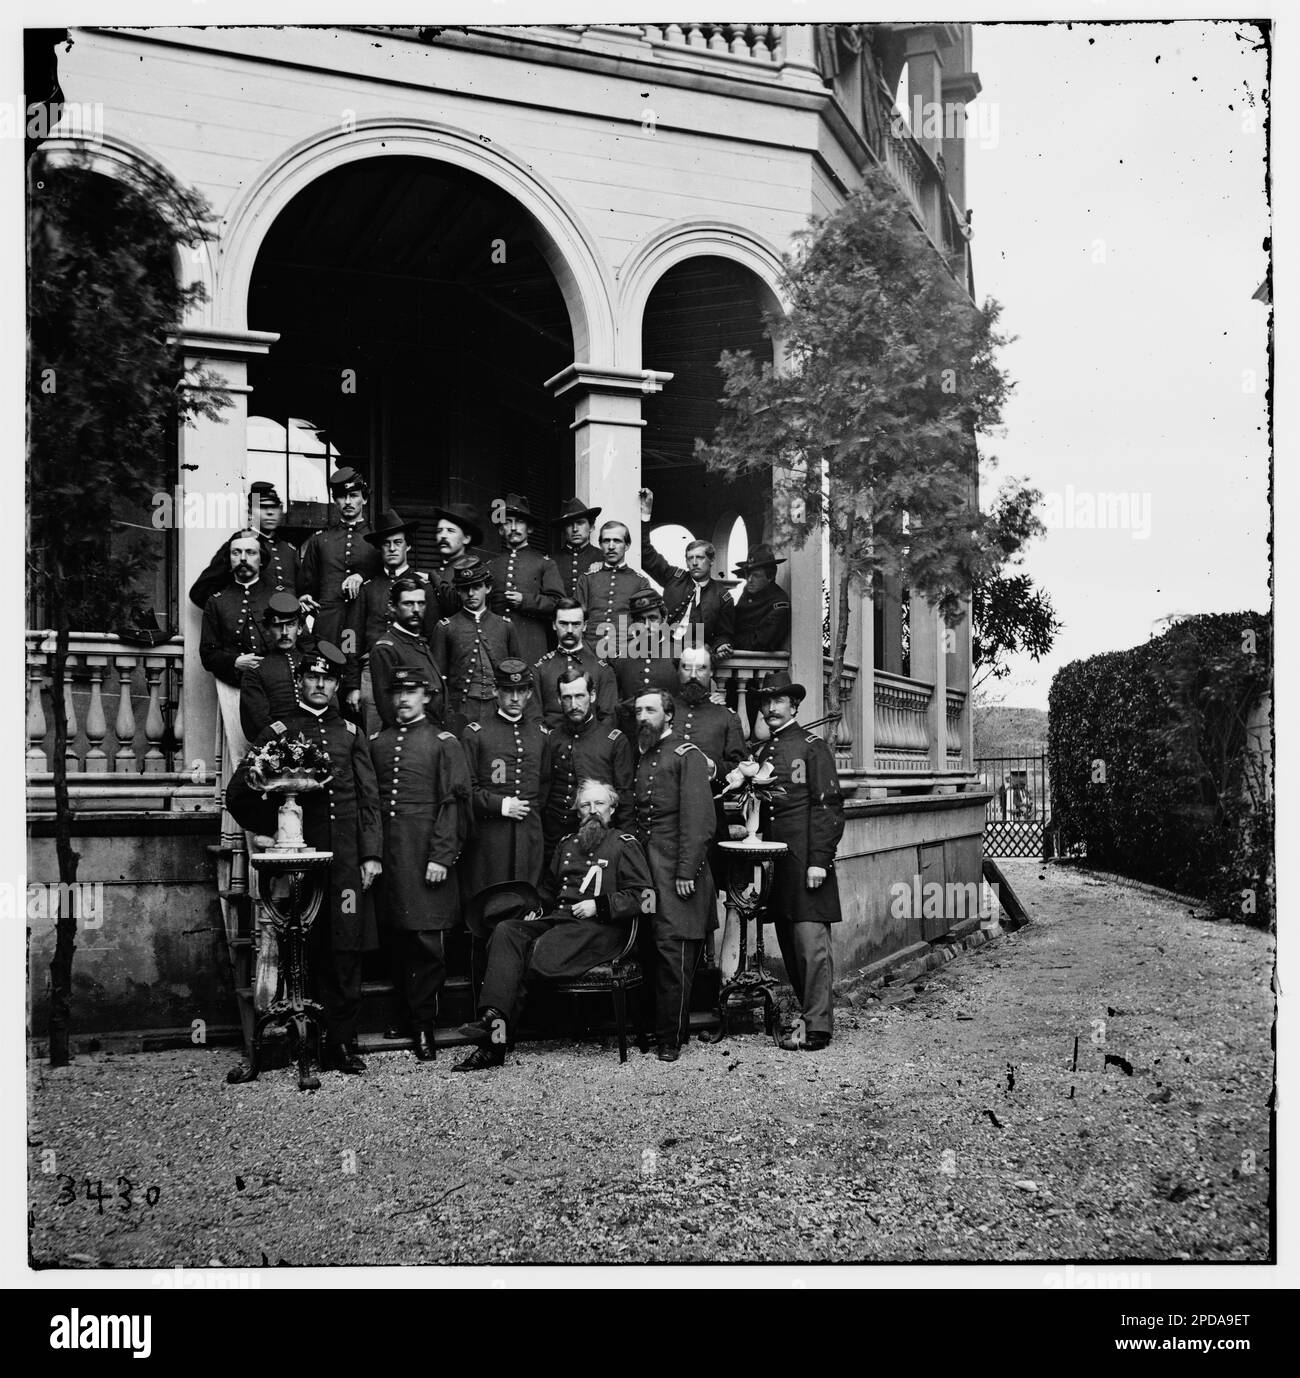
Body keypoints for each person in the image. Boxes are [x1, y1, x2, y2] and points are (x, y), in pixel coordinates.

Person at [226, 641, 383, 1074]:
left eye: (327, 678)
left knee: (347, 946)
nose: (319, 684)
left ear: (335, 685)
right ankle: (305, 1040)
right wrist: (276, 829)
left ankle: (343, 1042)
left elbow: (369, 800)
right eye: (312, 677)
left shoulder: (350, 733)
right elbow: (239, 793)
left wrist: (371, 855)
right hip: (300, 865)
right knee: (303, 945)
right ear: (300, 681)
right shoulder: (279, 731)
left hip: (348, 864)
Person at [454, 780, 654, 1072]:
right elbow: (549, 890)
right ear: (577, 811)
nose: (592, 810)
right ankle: (492, 1022)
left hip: (601, 929)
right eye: (585, 805)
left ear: (612, 809)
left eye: (599, 804)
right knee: (507, 932)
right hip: (560, 922)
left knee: (527, 953)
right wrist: (535, 910)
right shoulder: (566, 844)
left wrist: (599, 905)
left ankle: (494, 1043)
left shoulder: (625, 844)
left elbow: (646, 898)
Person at [368, 667, 472, 1062]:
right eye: (396, 692)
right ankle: (406, 1016)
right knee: (397, 938)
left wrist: (441, 857)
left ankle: (425, 1025)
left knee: (427, 943)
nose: (403, 699)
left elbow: (454, 803)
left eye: (411, 692)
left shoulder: (444, 742)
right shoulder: (379, 741)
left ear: (426, 696)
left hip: (427, 854)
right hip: (392, 857)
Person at [742, 670, 845, 1052]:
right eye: (765, 702)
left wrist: (820, 860)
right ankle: (807, 1017)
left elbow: (828, 807)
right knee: (790, 945)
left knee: (811, 947)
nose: (770, 708)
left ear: (794, 705)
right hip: (778, 865)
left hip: (806, 863)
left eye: (778, 701)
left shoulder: (812, 747)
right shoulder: (764, 751)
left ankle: (818, 1027)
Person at [630, 689, 717, 1061]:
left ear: (668, 715)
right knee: (654, 950)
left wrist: (687, 871)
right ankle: (655, 1028)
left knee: (675, 952)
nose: (642, 716)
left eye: (650, 710)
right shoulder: (646, 756)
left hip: (678, 869)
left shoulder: (688, 755)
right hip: (649, 868)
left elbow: (699, 820)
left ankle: (671, 1037)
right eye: (638, 710)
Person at [458, 659, 552, 901]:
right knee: (489, 901)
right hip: (490, 837)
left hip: (529, 834)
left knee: (525, 901)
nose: (514, 698)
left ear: (530, 693)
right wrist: (502, 805)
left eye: (521, 691)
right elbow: (466, 790)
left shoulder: (540, 735)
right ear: (495, 691)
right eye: (508, 691)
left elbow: (543, 786)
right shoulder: (476, 734)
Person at [541, 667, 633, 864]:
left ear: (592, 696)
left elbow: (624, 796)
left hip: (601, 836)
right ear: (558, 700)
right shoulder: (552, 739)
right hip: (557, 836)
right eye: (567, 698)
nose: (574, 705)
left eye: (579, 696)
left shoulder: (613, 740)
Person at [342, 508, 424, 727]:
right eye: (386, 544)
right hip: (372, 673)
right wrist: (352, 685)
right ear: (380, 549)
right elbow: (350, 636)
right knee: (375, 741)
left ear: (408, 546)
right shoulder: (368, 589)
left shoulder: (421, 586)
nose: (392, 548)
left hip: (412, 669)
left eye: (398, 543)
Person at [638, 487, 736, 654]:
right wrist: (645, 515)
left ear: (711, 560)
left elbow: (723, 633)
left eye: (700, 558)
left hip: (694, 656)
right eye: (690, 558)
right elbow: (646, 554)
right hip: (663, 651)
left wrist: (721, 644)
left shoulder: (722, 596)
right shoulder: (673, 577)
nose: (695, 563)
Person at [430, 557, 522, 725]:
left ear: (488, 588)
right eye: (465, 589)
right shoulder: (446, 627)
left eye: (477, 587)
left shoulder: (505, 626)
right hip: (461, 710)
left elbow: (517, 676)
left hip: (498, 709)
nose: (471, 593)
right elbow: (438, 681)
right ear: (458, 591)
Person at [298, 466, 383, 646]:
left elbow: (384, 582)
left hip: (363, 626)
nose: (348, 501)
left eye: (354, 495)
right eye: (342, 496)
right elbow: (306, 587)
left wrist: (362, 577)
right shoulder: (320, 540)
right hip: (328, 625)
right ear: (335, 501)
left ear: (364, 499)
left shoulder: (377, 542)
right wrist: (305, 598)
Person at [188, 481, 303, 610]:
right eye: (262, 507)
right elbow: (201, 591)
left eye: (274, 507)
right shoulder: (239, 543)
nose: (270, 512)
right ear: (250, 512)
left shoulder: (288, 549)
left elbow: (301, 591)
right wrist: (233, 616)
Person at [368, 574, 456, 732]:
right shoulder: (386, 649)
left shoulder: (420, 642)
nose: (416, 609)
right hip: (413, 743)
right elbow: (390, 712)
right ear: (392, 607)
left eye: (421, 603)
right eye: (408, 603)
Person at [487, 493, 565, 667]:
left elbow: (558, 603)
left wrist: (526, 600)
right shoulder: (491, 566)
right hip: (496, 645)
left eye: (519, 522)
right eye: (507, 522)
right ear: (500, 529)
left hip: (531, 644)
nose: (513, 527)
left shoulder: (544, 563)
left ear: (529, 528)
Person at [531, 598, 618, 728]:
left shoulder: (602, 670)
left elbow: (608, 718)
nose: (570, 630)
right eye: (563, 624)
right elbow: (534, 718)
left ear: (585, 626)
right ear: (554, 625)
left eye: (576, 624)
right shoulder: (540, 669)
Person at [239, 591, 313, 741]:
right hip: (277, 745)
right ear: (267, 629)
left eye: (291, 625)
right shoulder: (256, 671)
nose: (285, 632)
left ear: (299, 629)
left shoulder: (311, 663)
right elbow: (258, 722)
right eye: (278, 626)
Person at [574, 520, 652, 655]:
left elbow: (645, 624)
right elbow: (576, 619)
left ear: (627, 545)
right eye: (606, 541)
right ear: (600, 544)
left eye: (617, 541)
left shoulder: (640, 582)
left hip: (626, 654)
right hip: (590, 653)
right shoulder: (586, 579)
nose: (611, 546)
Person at [612, 589, 678, 738]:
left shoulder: (679, 654)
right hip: (630, 737)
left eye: (653, 618)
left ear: (664, 619)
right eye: (640, 620)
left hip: (669, 737)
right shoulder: (620, 657)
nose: (646, 626)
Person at [724, 543, 791, 657]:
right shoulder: (748, 594)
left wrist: (728, 641)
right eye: (748, 574)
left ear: (770, 577)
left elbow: (759, 643)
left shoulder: (779, 604)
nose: (749, 580)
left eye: (756, 575)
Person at [425, 501, 486, 622]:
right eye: (439, 530)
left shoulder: (473, 571)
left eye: (450, 531)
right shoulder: (439, 570)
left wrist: (433, 578)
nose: (443, 535)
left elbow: (457, 607)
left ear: (466, 539)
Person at [550, 496, 605, 599]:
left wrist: (622, 617)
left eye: (580, 523)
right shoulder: (551, 561)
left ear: (591, 527)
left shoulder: (603, 558)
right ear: (563, 530)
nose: (575, 529)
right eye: (569, 525)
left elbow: (620, 604)